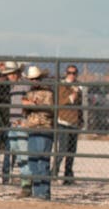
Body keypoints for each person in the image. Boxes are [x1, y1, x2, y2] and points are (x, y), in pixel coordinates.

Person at [22, 66, 54, 201]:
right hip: (32, 128)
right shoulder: (29, 93)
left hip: (44, 127)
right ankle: (37, 190)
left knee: (43, 161)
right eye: (32, 79)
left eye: (36, 79)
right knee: (33, 161)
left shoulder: (48, 93)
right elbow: (25, 109)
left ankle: (44, 192)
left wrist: (33, 104)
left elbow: (49, 110)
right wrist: (28, 105)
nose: (34, 81)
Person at [4, 61, 32, 196]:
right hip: (13, 123)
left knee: (23, 154)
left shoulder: (25, 84)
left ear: (16, 73)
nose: (9, 76)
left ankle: (26, 184)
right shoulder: (12, 86)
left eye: (10, 73)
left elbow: (30, 101)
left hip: (21, 123)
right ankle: (25, 180)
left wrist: (24, 119)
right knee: (17, 152)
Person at [54, 65, 83, 184]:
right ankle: (54, 172)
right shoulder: (62, 86)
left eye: (74, 73)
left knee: (72, 151)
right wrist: (72, 96)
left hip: (74, 122)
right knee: (62, 149)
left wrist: (81, 120)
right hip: (64, 121)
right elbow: (61, 101)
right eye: (69, 73)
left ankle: (68, 175)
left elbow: (79, 106)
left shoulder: (78, 87)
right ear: (66, 73)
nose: (72, 75)